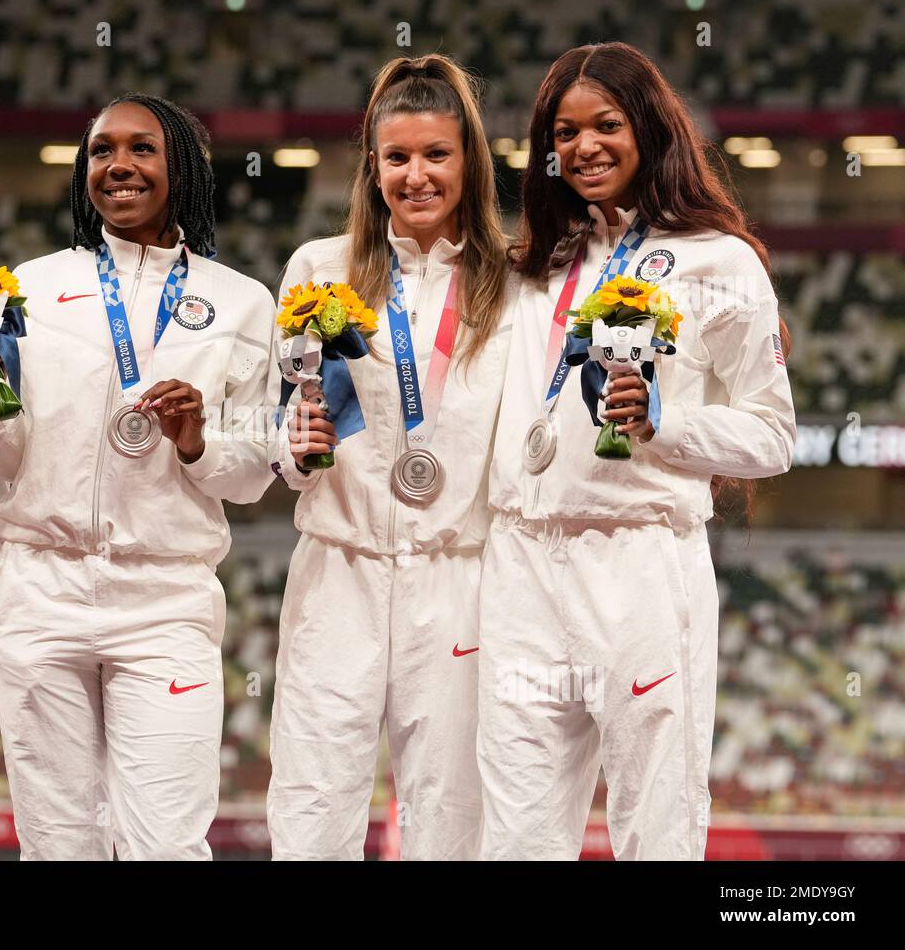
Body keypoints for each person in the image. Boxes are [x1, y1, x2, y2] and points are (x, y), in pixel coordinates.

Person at [478, 42, 796, 860]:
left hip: (642, 566)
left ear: (650, 129)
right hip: (520, 568)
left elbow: (772, 436)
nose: (583, 147)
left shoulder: (718, 261)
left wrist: (669, 425)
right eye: (564, 131)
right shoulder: (534, 266)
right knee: (514, 833)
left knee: (655, 828)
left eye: (606, 125)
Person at [0, 94, 279, 860]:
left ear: (183, 169)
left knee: (165, 842)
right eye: (101, 151)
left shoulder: (239, 301)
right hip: (39, 591)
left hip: (165, 600)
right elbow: (2, 459)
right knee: (58, 843)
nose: (118, 166)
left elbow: (255, 473)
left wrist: (200, 441)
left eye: (142, 150)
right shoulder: (25, 287)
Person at [264, 55, 512, 860]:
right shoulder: (317, 269)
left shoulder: (513, 281)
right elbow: (283, 420)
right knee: (311, 806)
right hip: (340, 567)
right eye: (397, 157)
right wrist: (290, 446)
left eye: (436, 154)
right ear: (371, 167)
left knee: (450, 815)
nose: (417, 176)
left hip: (461, 574)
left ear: (468, 160)